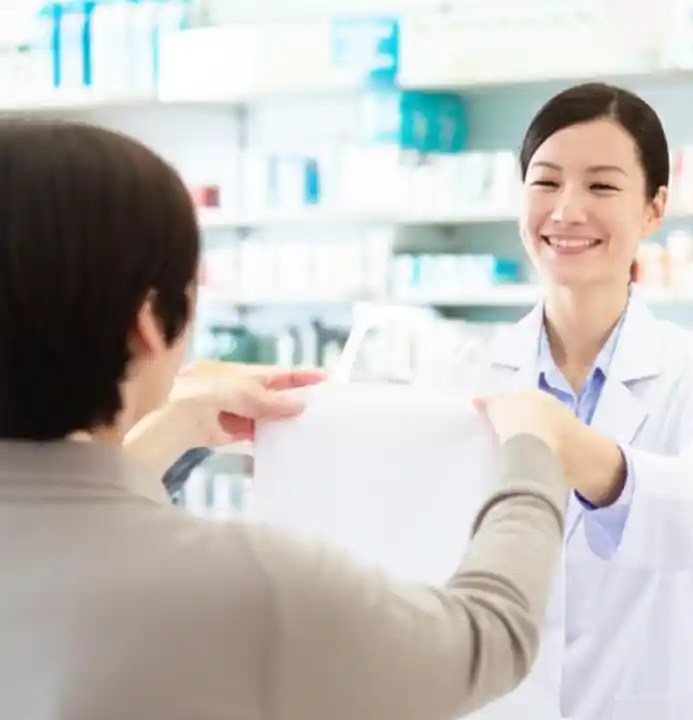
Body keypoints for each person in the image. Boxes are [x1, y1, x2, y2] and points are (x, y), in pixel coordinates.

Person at [0, 119, 584, 720]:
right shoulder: (247, 585)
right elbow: (485, 642)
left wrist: (170, 432)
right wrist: (533, 457)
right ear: (148, 322)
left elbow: (66, 514)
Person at [463, 83, 693, 720]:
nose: (567, 211)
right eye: (545, 183)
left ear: (654, 208)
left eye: (601, 187)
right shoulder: (464, 372)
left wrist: (572, 447)